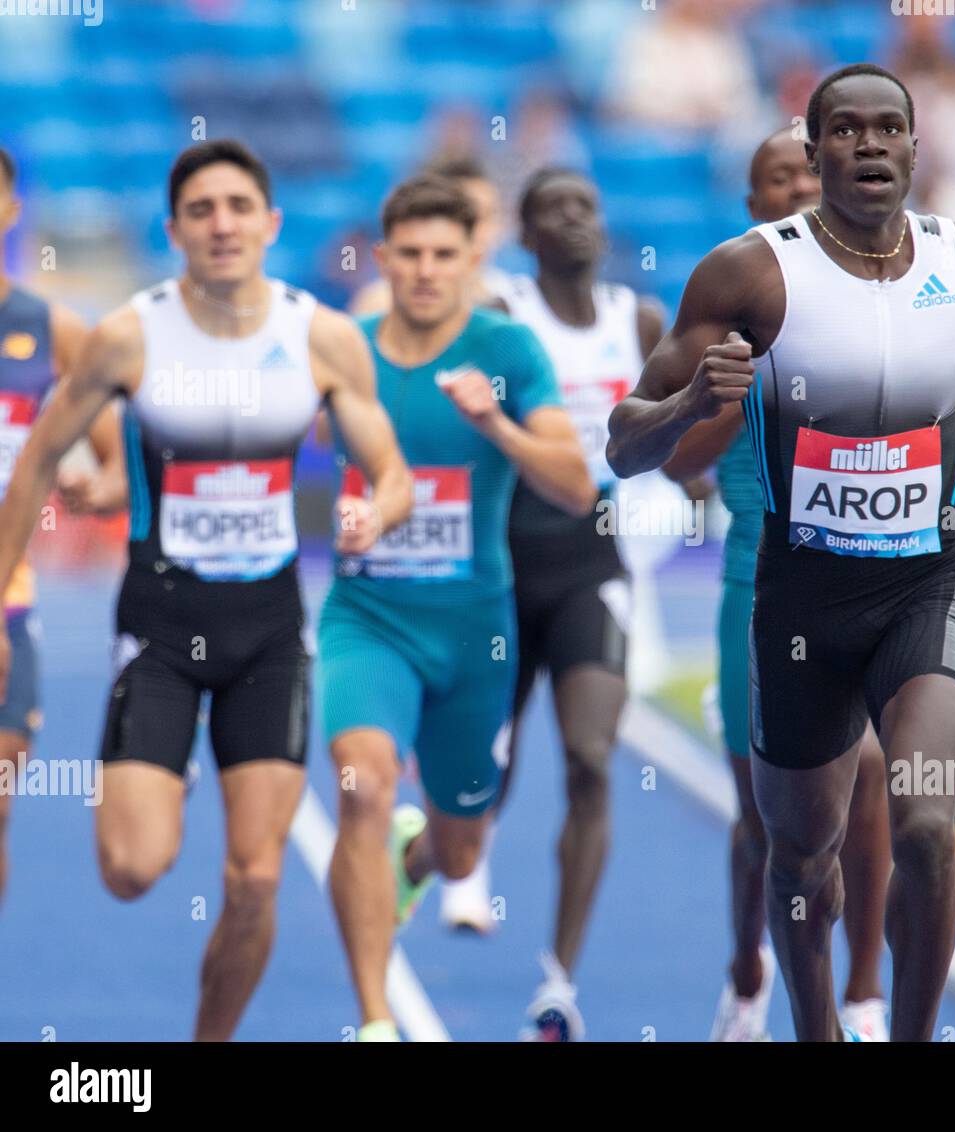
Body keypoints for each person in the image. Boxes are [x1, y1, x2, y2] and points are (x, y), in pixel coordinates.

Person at [607, 64, 955, 1042]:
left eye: (887, 128)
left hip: (927, 584)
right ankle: (814, 1025)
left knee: (923, 824)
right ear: (813, 155)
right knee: (801, 852)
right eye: (844, 131)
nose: (868, 145)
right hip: (803, 602)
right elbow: (624, 443)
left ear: (914, 147)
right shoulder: (748, 273)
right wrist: (696, 401)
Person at [0, 139, 413, 1040]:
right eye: (200, 210)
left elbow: (391, 472)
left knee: (256, 878)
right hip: (158, 625)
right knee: (131, 867)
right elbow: (34, 462)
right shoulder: (128, 336)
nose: (221, 223)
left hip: (266, 630)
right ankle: (163, 764)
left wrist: (375, 512)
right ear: (175, 231)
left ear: (268, 224)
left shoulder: (322, 337)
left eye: (237, 207)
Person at [319, 175, 593, 1043]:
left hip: (477, 629)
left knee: (462, 846)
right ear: (384, 257)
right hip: (370, 619)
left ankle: (417, 856)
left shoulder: (508, 351)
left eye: (446, 255)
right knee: (360, 782)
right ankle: (372, 1020)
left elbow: (578, 484)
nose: (427, 271)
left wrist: (496, 427)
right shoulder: (346, 349)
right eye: (411, 254)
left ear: (473, 257)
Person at [660, 128, 892, 1041]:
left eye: (811, 171)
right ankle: (748, 971)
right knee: (769, 813)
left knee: (870, 782)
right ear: (755, 207)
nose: (800, 186)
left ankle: (864, 993)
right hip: (759, 576)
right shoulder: (729, 307)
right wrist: (739, 378)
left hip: (874, 575)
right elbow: (677, 468)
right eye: (778, 180)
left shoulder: (894, 296)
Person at [483, 167, 663, 1041]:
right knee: (483, 781)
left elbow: (679, 436)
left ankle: (557, 981)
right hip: (505, 570)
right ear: (525, 232)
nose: (574, 219)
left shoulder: (640, 321)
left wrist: (705, 477)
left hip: (595, 563)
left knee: (590, 757)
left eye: (586, 204)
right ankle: (426, 852)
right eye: (552, 206)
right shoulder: (505, 319)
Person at [0, 144, 126, 909]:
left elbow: (118, 469)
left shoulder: (53, 330)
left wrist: (90, 487)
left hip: (9, 605)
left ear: (13, 210)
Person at [349, 156, 510, 315]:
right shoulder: (382, 304)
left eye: (490, 215)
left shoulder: (513, 299)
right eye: (469, 217)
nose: (481, 231)